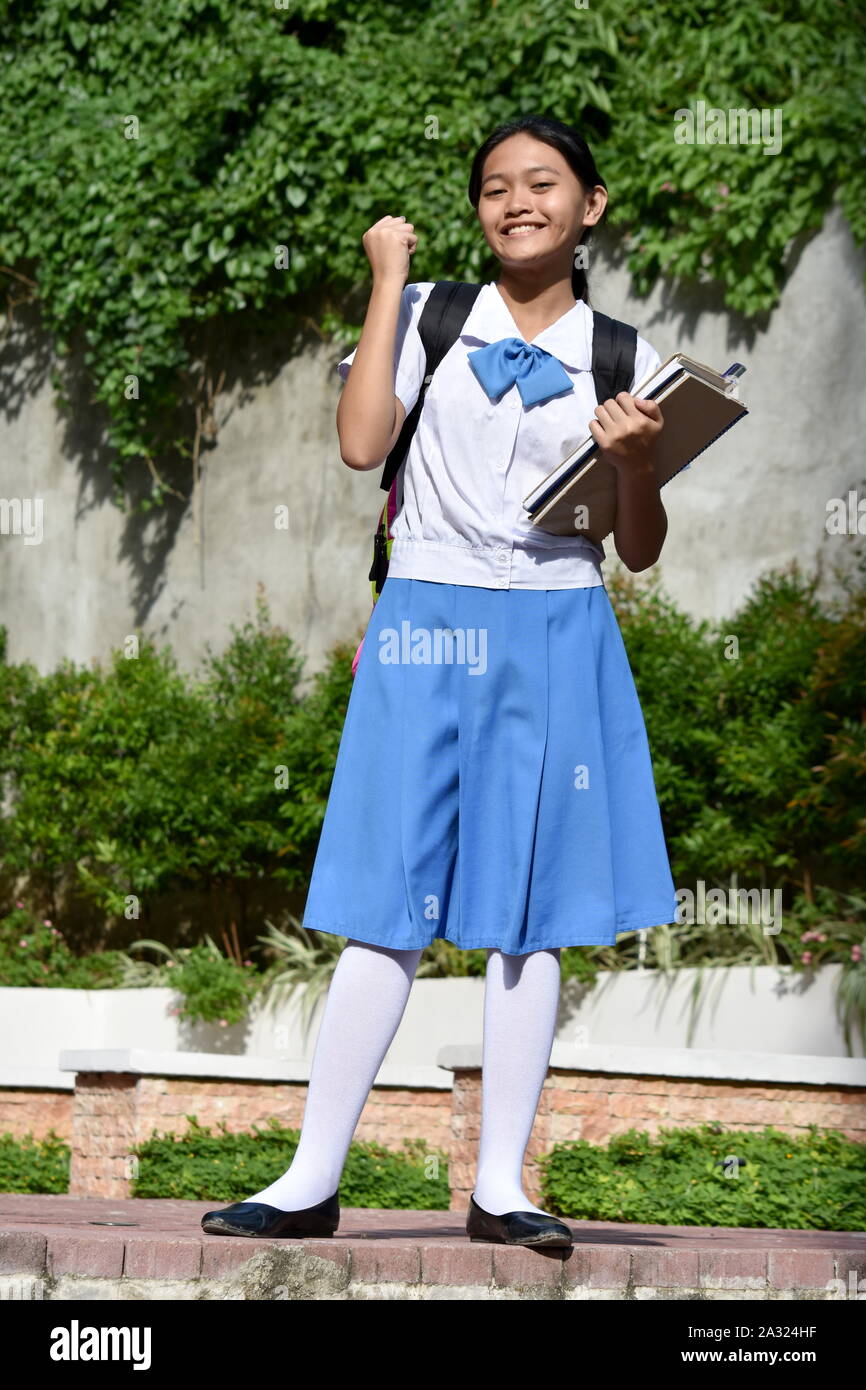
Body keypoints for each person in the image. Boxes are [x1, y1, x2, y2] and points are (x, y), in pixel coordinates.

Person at [201, 113, 678, 1250]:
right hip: (425, 615)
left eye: (543, 183)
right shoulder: (429, 314)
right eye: (494, 187)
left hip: (559, 623)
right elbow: (362, 443)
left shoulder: (622, 357)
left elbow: (640, 547)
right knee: (384, 900)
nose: (516, 200)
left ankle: (502, 1187)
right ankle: (312, 1179)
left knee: (531, 915)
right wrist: (386, 277)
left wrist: (635, 463)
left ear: (590, 206)